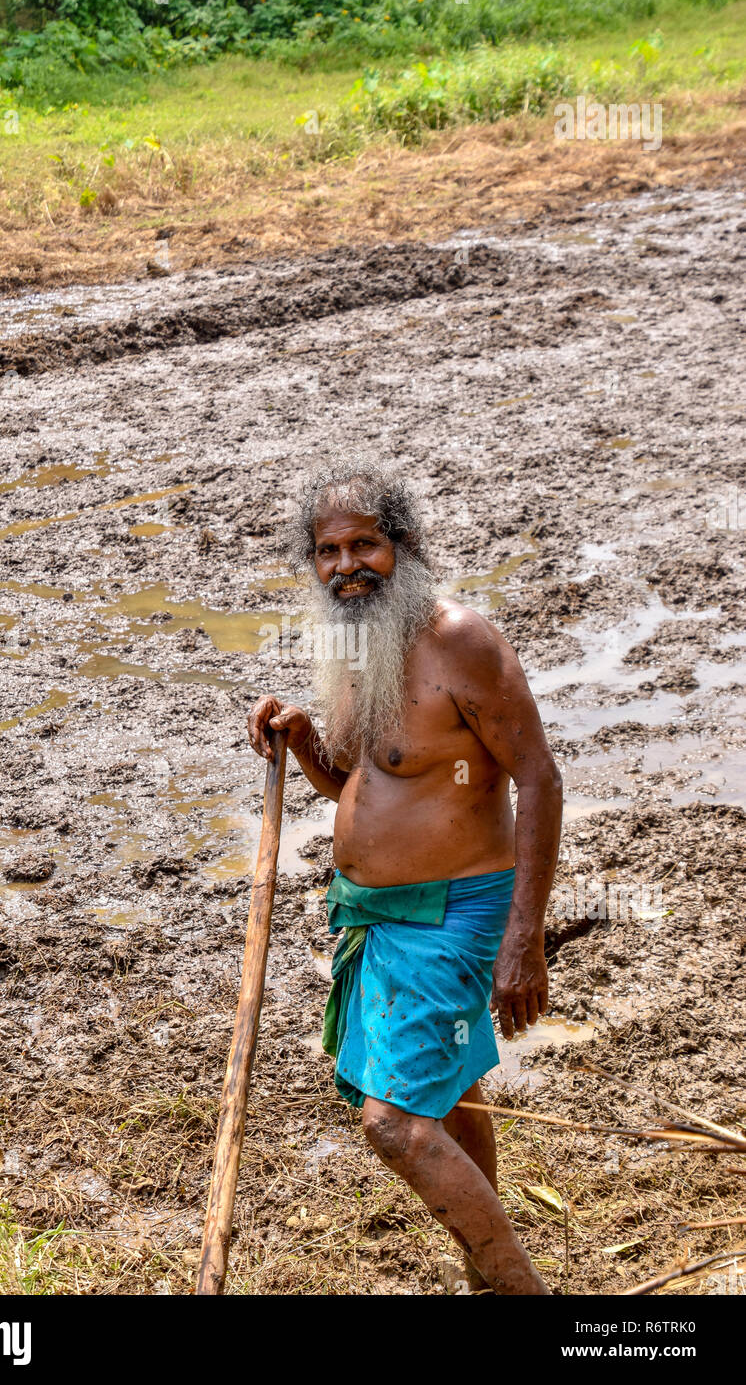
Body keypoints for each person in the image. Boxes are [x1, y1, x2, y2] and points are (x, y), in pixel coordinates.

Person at [248, 460, 562, 1294]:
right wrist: (303, 739)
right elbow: (364, 778)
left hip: (451, 912)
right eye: (327, 550)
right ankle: (483, 1275)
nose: (346, 565)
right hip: (376, 914)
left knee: (395, 1124)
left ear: (406, 546)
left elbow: (538, 778)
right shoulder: (357, 640)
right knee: (453, 1096)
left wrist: (523, 939)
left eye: (365, 544)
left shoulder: (462, 641)